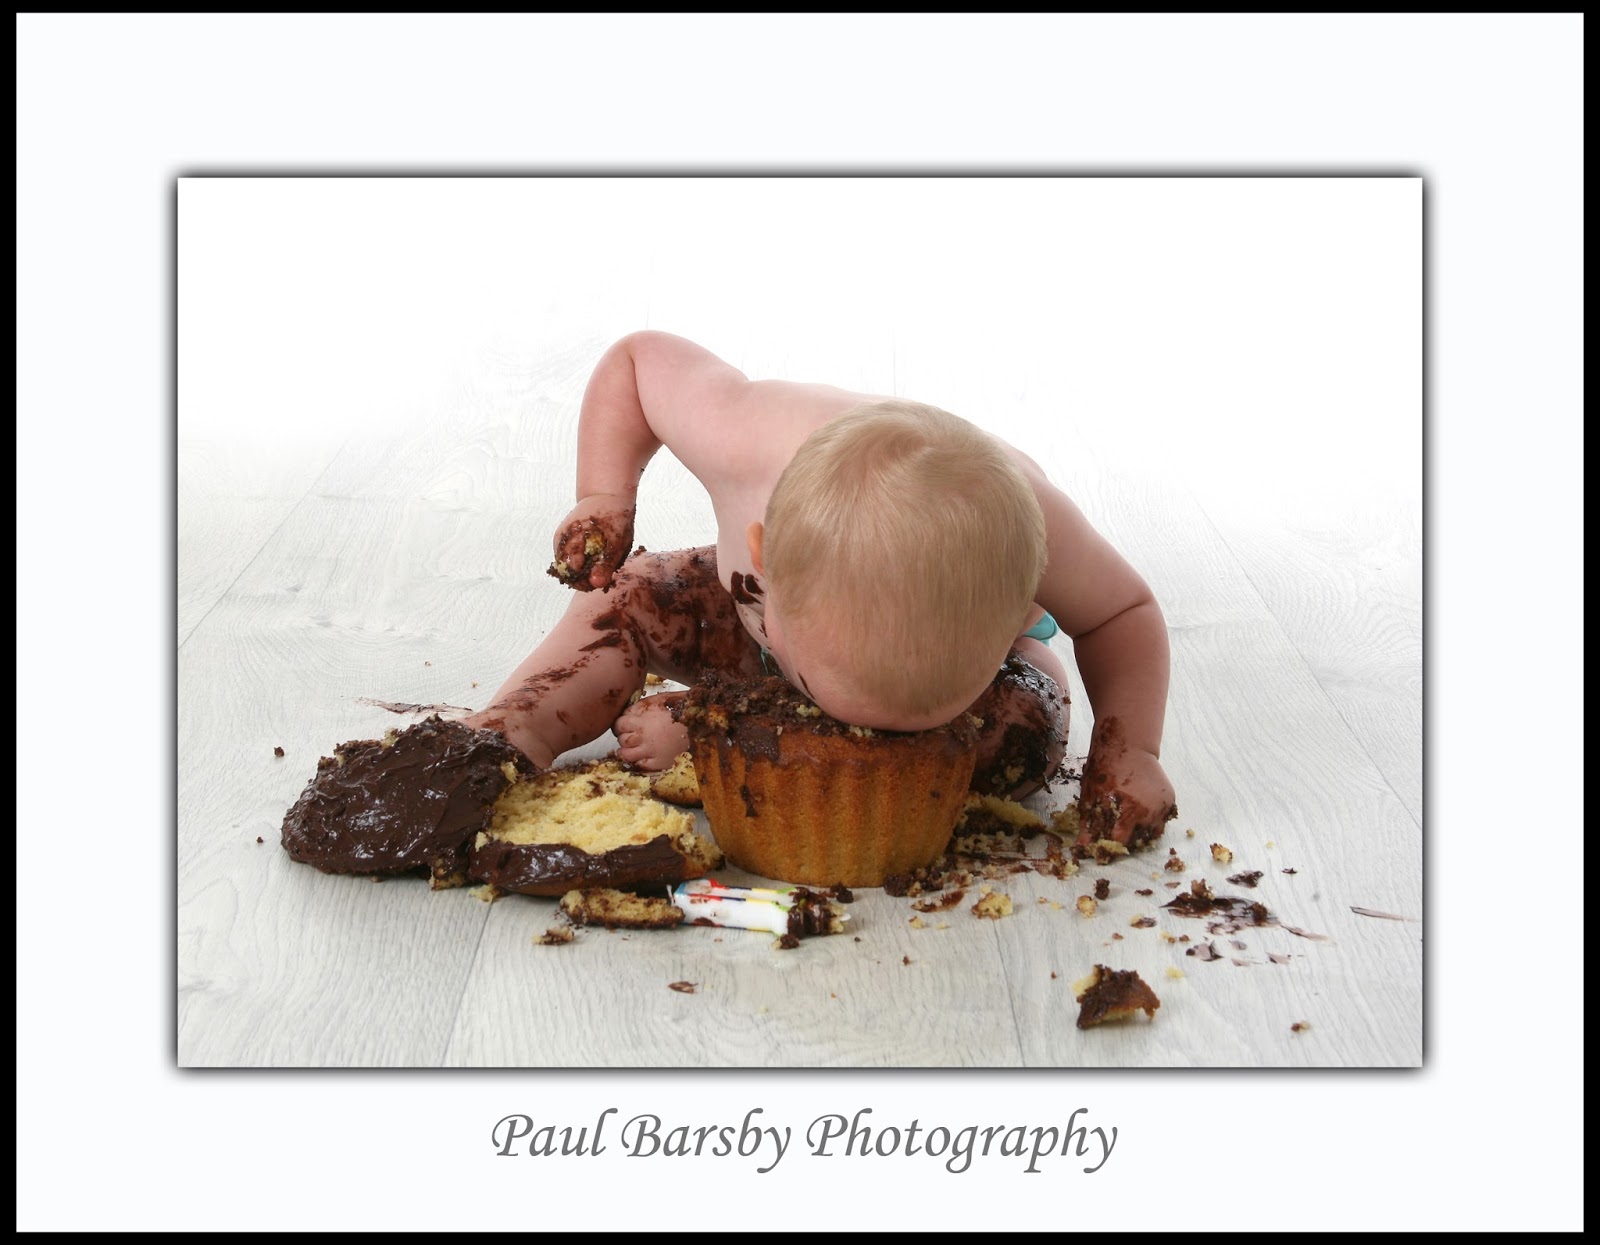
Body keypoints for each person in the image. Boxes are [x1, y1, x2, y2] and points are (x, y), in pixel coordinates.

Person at [464, 331, 1175, 847]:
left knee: (1028, 724)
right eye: (837, 706)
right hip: (755, 634)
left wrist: (1130, 749)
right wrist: (603, 495)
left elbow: (1123, 611)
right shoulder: (744, 438)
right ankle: (510, 731)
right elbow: (637, 361)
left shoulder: (1035, 524)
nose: (861, 737)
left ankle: (715, 731)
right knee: (626, 595)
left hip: (968, 693)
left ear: (1024, 599)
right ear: (764, 560)